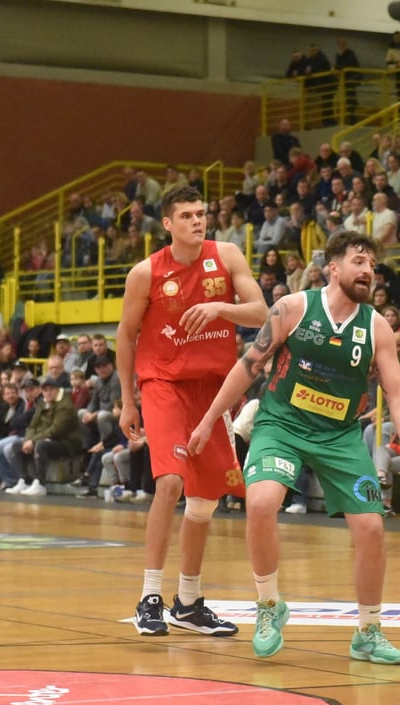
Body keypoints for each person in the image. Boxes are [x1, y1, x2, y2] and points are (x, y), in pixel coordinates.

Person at [187, 230, 400, 664]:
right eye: (359, 261)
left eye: (372, 264)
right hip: (282, 424)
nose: (368, 270)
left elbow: (397, 392)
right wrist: (207, 421)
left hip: (340, 435)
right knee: (260, 503)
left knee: (371, 529)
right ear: (333, 268)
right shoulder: (292, 308)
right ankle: (269, 605)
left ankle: (368, 631)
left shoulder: (376, 327)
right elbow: (247, 367)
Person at [117, 185, 267, 637]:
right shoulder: (145, 273)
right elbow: (125, 336)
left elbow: (263, 313)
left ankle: (188, 601)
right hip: (163, 384)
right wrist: (128, 399)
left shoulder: (226, 256)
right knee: (171, 483)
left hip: (212, 388)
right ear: (167, 224)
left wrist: (220, 307)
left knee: (205, 499)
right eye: (186, 215)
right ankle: (150, 596)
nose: (197, 221)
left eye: (201, 213)